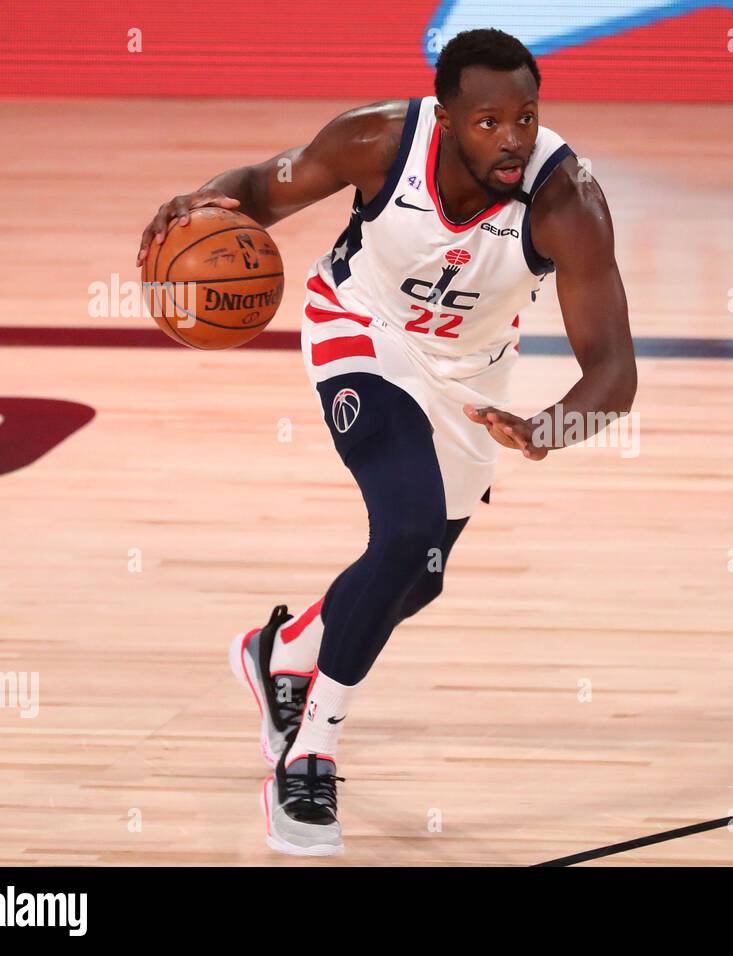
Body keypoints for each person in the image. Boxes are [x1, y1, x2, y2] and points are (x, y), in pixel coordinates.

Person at [136, 28, 636, 856]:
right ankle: (311, 755)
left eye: (525, 116)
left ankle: (281, 649)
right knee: (403, 533)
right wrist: (201, 203)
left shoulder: (567, 204)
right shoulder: (376, 140)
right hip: (359, 329)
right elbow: (258, 188)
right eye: (487, 122)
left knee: (420, 577)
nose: (511, 138)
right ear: (444, 118)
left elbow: (615, 375)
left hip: (475, 371)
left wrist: (547, 429)